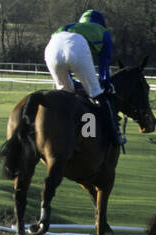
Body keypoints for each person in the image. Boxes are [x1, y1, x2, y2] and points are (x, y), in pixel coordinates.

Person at [44, 8, 124, 145]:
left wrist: (74, 83)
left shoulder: (68, 26)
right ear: (101, 23)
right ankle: (115, 134)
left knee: (65, 93)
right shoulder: (103, 32)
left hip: (51, 47)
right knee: (97, 94)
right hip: (76, 47)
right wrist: (104, 85)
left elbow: (63, 54)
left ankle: (60, 132)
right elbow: (103, 65)